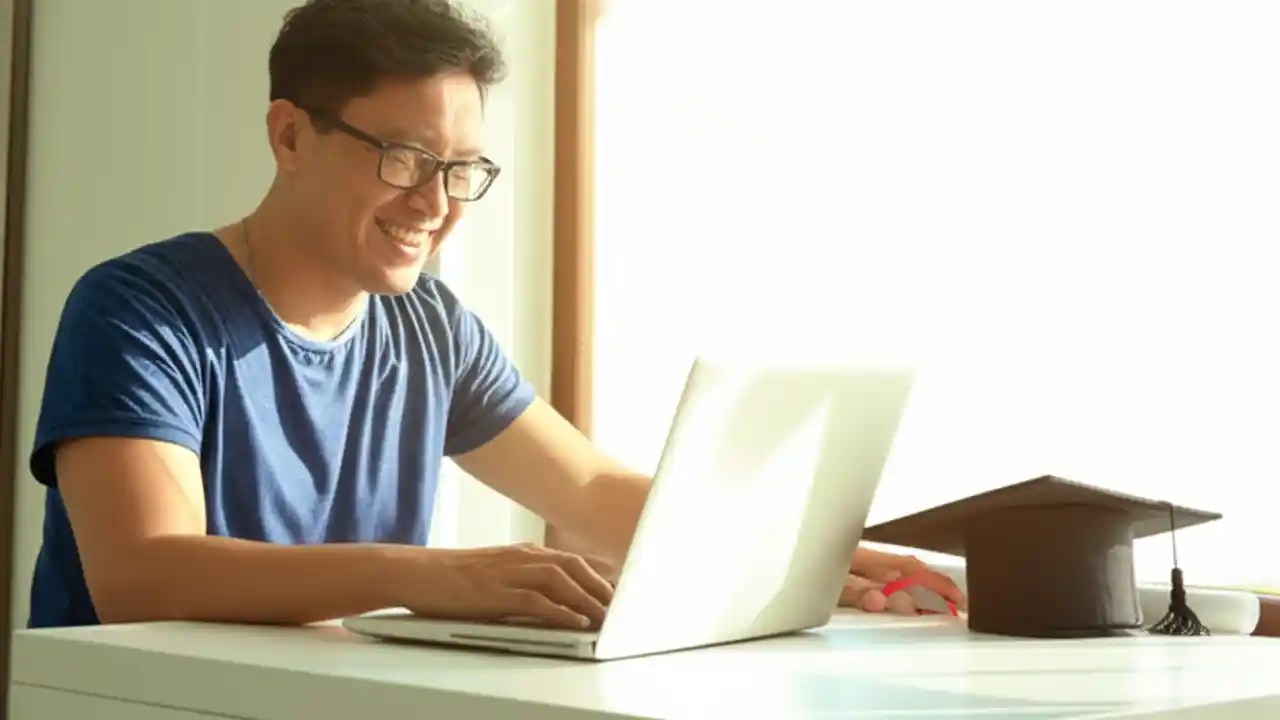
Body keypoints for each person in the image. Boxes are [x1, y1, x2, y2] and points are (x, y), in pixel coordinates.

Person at [26, 0, 965, 631]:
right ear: (289, 135)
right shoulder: (142, 310)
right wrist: (424, 575)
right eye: (404, 156)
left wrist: (810, 551)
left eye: (462, 169)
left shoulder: (430, 327)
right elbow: (143, 575)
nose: (436, 202)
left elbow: (590, 493)